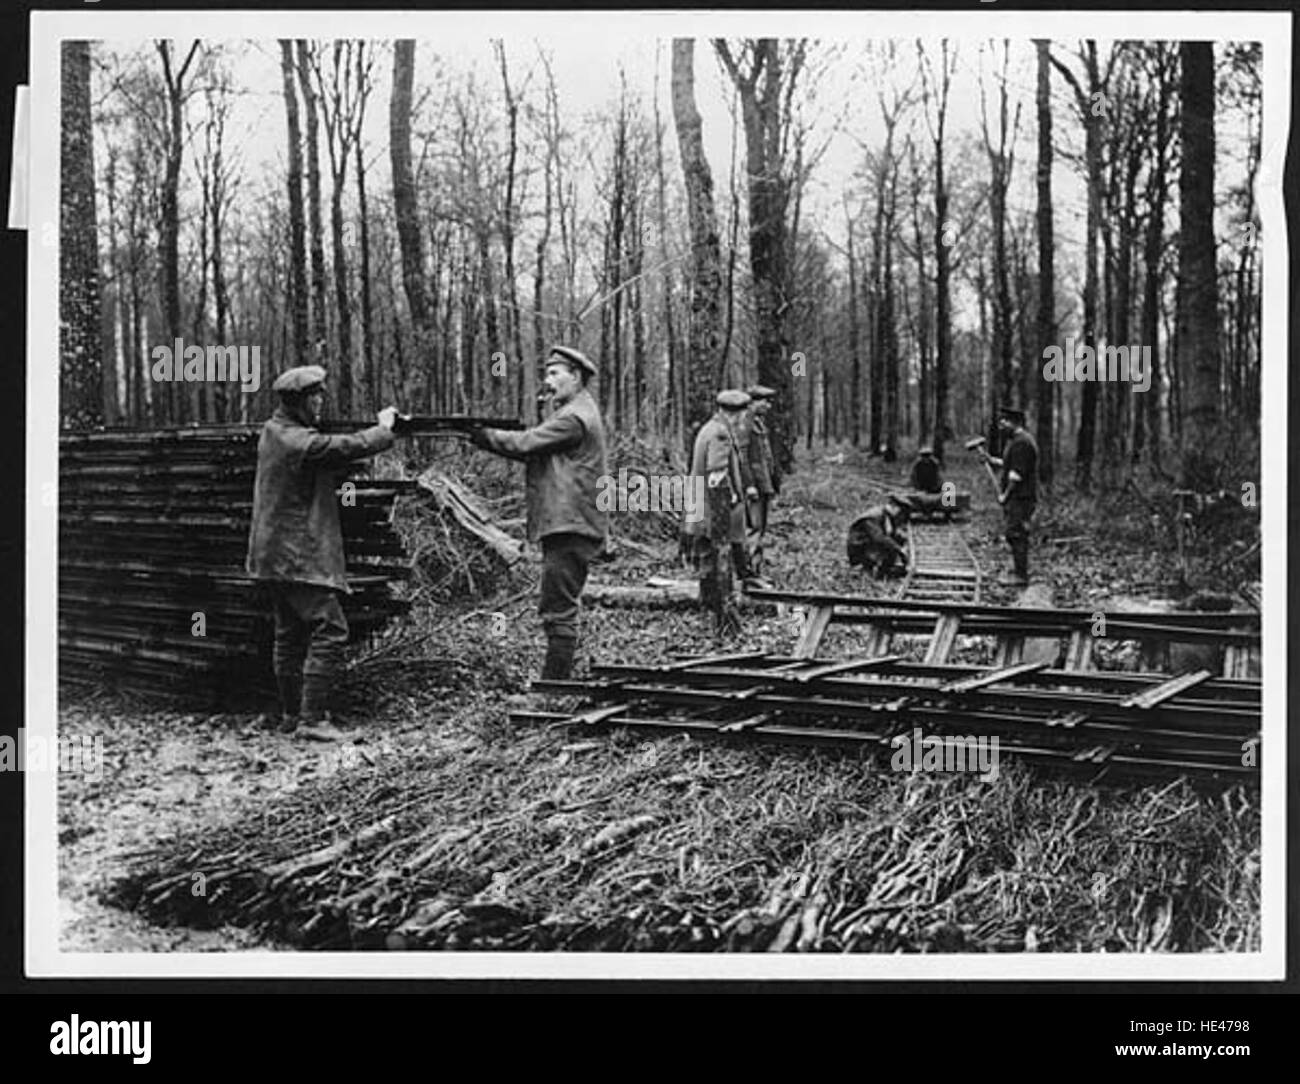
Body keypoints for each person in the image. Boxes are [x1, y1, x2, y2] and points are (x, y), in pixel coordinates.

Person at [247, 364, 402, 735]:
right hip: (294, 556)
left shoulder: (275, 431)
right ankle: (312, 720)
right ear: (297, 401)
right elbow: (343, 447)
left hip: (273, 556)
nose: (320, 402)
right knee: (330, 629)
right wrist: (384, 429)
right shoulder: (296, 441)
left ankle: (290, 717)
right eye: (314, 397)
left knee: (288, 634)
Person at [470, 346, 607, 680]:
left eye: (555, 373)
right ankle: (556, 683)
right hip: (570, 522)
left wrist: (482, 436)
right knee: (558, 604)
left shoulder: (573, 418)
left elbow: (527, 444)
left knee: (557, 608)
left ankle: (554, 688)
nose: (548, 381)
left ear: (576, 377)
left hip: (571, 524)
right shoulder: (574, 410)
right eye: (547, 373)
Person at [686, 390, 751, 636]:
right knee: (720, 566)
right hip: (715, 512)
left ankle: (712, 620)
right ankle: (726, 623)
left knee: (707, 566)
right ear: (736, 413)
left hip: (700, 508)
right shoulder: (722, 434)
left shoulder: (707, 428)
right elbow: (716, 476)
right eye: (741, 413)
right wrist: (724, 519)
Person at [979, 405, 1039, 586]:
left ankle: (1021, 576)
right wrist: (990, 460)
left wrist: (1005, 495)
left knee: (1016, 533)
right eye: (1000, 421)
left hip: (1021, 498)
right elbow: (1008, 464)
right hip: (1017, 497)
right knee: (1014, 533)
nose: (1001, 425)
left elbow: (1016, 474)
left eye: (1005, 421)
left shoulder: (1022, 442)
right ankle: (1018, 570)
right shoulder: (1015, 441)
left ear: (1016, 422)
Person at [744, 385, 777, 585]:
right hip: (754, 486)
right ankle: (748, 573)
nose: (768, 405)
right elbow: (744, 458)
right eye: (764, 401)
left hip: (763, 484)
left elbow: (765, 458)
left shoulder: (758, 423)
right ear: (753, 402)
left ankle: (755, 570)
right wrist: (749, 484)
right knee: (753, 528)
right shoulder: (746, 424)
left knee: (760, 528)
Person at [847, 495, 912, 579]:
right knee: (890, 545)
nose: (900, 514)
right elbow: (879, 538)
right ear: (893, 506)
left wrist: (902, 539)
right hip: (860, 549)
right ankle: (867, 569)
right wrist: (899, 550)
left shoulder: (886, 515)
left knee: (894, 543)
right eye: (900, 511)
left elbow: (890, 532)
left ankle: (884, 569)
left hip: (870, 546)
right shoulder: (873, 517)